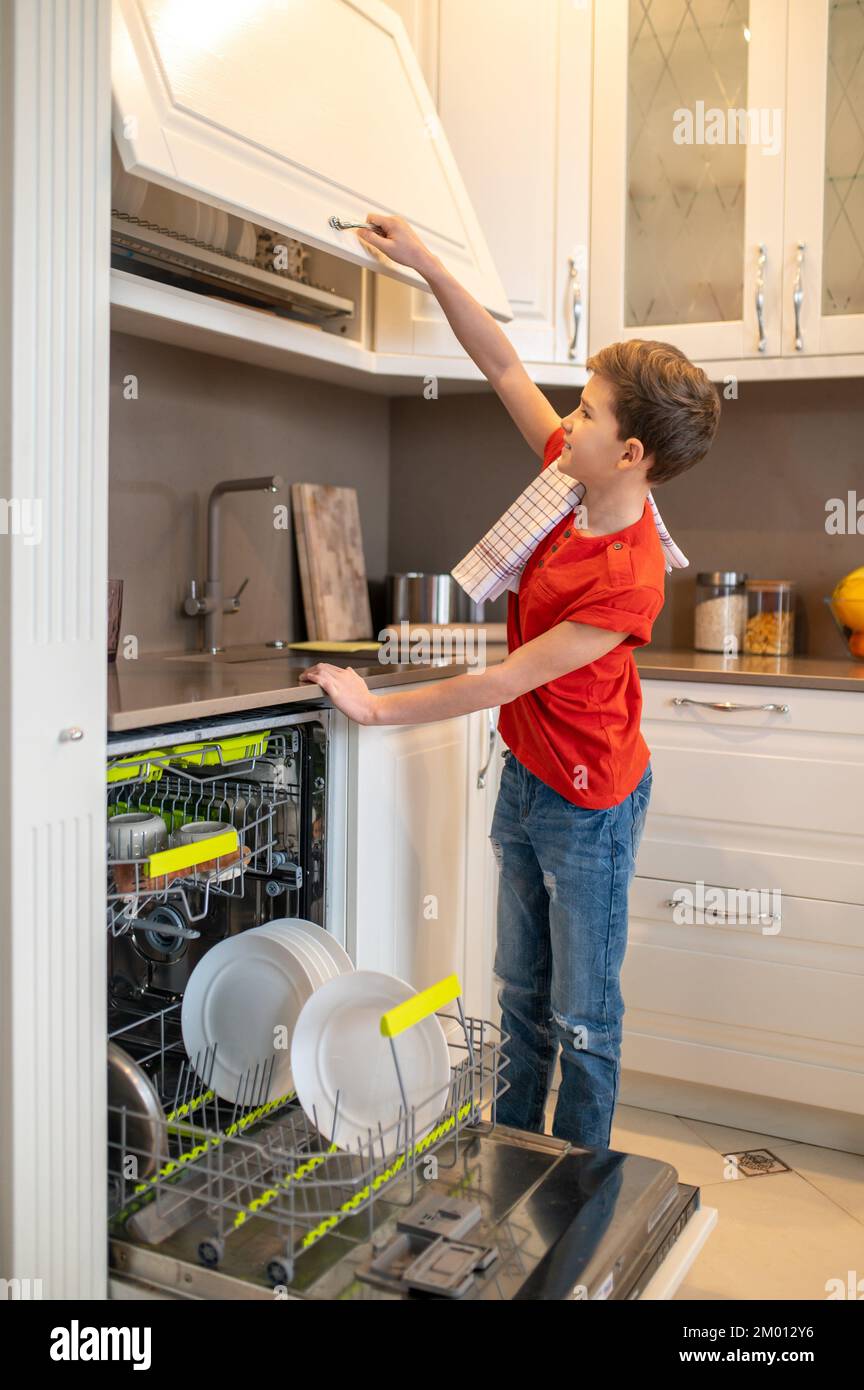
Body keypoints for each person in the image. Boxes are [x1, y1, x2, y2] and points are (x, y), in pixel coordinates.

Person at [299, 213, 721, 1150]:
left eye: (587, 412)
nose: (565, 420)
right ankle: (510, 1165)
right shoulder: (575, 485)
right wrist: (424, 263)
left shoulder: (629, 576)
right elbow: (499, 365)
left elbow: (506, 679)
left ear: (632, 455)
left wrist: (373, 708)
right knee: (517, 995)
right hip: (530, 778)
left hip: (590, 806)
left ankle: (574, 1192)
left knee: (581, 1015)